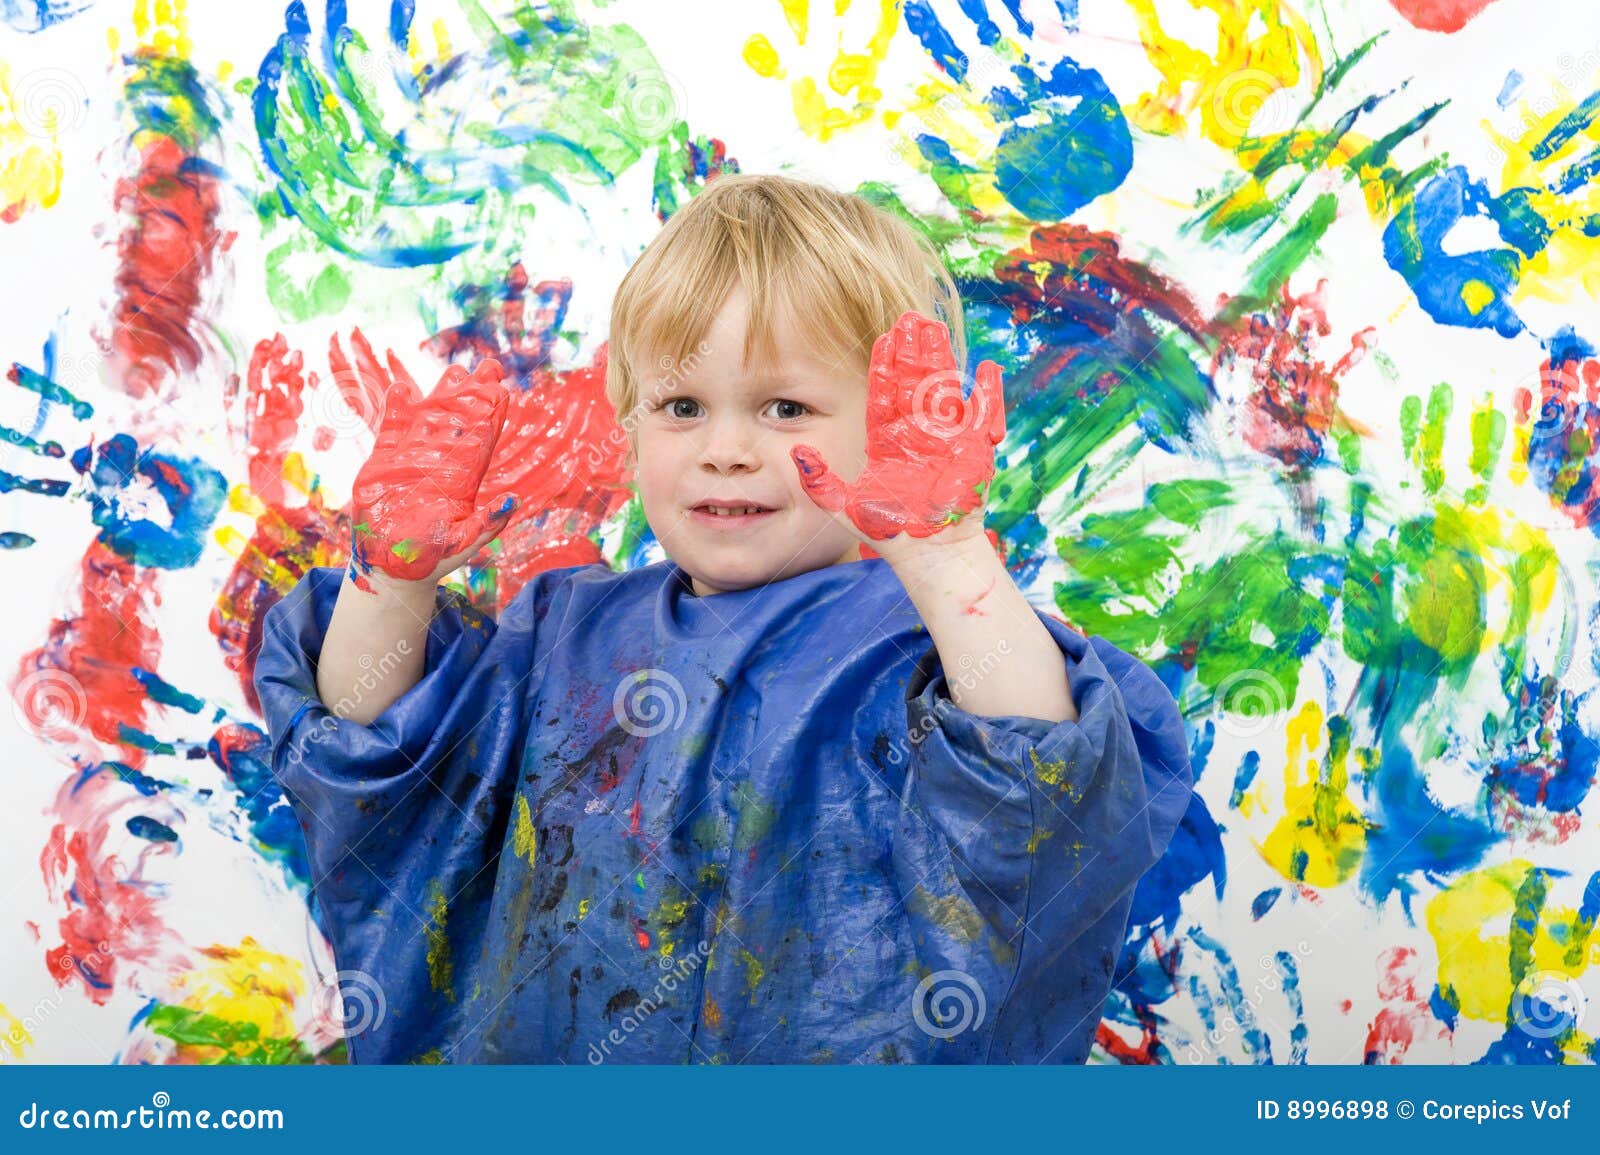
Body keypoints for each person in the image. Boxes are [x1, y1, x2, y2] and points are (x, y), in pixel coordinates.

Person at [254, 172, 1193, 1064]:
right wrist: (390, 583)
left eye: (786, 406)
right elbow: (374, 762)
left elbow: (1050, 791)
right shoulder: (563, 632)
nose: (728, 448)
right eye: (682, 406)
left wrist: (949, 557)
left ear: (890, 425)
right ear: (630, 426)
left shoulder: (930, 651)